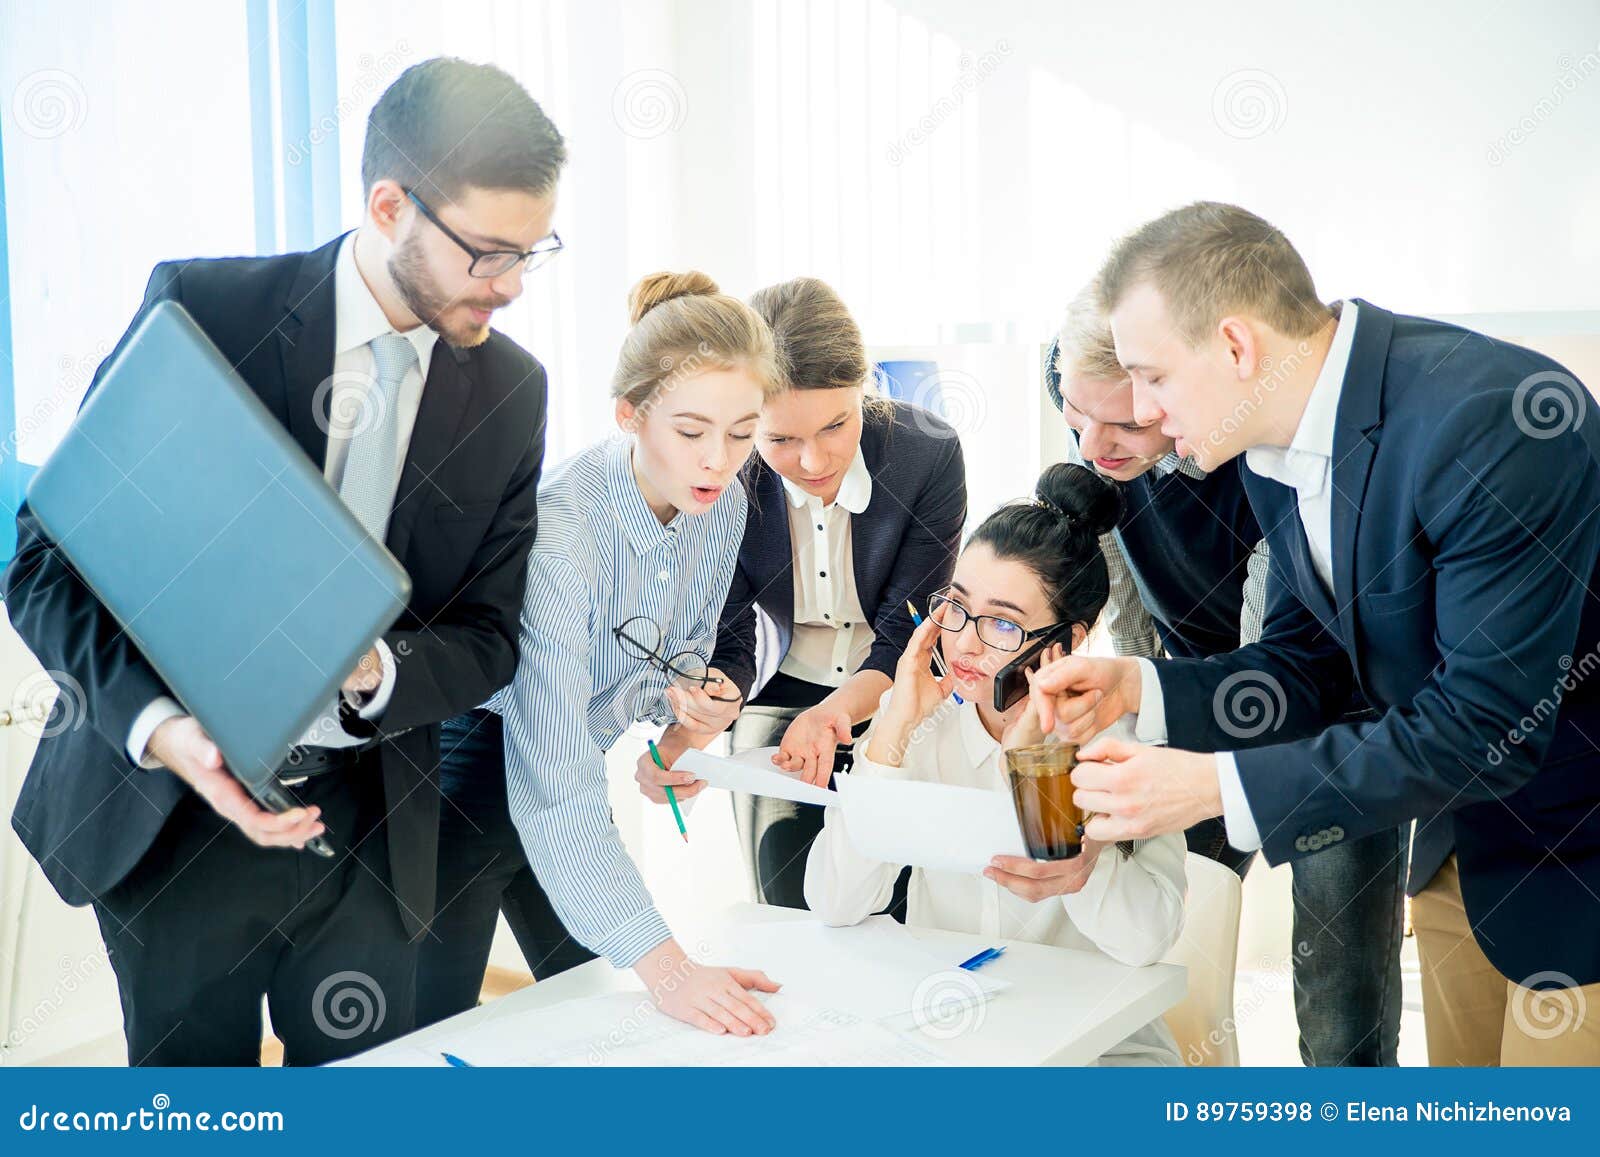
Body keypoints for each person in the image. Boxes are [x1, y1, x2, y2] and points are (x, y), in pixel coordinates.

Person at [4, 57, 564, 1064]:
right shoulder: (207, 312)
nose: (513, 286)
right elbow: (48, 564)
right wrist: (167, 729)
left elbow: (488, 638)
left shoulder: (513, 391)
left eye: (533, 250)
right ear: (389, 204)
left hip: (374, 832)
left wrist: (374, 666)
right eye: (488, 253)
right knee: (192, 1117)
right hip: (175, 820)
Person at [1032, 201, 1600, 1065]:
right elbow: (1311, 669)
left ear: (1235, 346)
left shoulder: (1490, 421)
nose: (1139, 410)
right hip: (1458, 852)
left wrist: (1215, 788)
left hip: (1576, 849)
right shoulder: (1267, 450)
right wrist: (1139, 687)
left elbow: (1484, 726)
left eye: (1150, 377)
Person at [420, 271, 790, 1037]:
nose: (719, 461)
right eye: (691, 432)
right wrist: (674, 969)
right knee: (433, 1031)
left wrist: (692, 699)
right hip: (469, 772)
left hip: (572, 765)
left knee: (595, 1003)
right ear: (630, 414)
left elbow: (669, 649)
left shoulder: (721, 503)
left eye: (743, 431)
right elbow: (550, 774)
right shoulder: (564, 536)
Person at [1043, 287, 1404, 1066]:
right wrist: (1138, 693)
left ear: (1172, 394)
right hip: (1190, 686)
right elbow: (1118, 559)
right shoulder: (1091, 409)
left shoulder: (1259, 450)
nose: (1094, 445)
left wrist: (1183, 727)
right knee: (1168, 938)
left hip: (1326, 708)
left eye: (1127, 423)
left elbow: (1277, 658)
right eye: (1077, 413)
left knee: (1341, 1001)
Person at [804, 463, 1185, 1066]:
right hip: (956, 1042)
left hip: (1095, 1054)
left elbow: (1144, 941)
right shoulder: (917, 732)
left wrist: (1037, 771)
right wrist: (893, 732)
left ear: (1069, 642)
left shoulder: (1129, 744)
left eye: (1003, 622)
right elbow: (834, 902)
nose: (967, 643)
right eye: (955, 608)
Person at [636, 277, 966, 910]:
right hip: (778, 693)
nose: (813, 461)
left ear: (864, 390)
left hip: (896, 692)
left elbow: (910, 630)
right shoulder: (725, 465)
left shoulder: (929, 455)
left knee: (900, 908)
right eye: (779, 439)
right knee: (788, 914)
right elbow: (734, 627)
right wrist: (692, 732)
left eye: (835, 426)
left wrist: (837, 713)